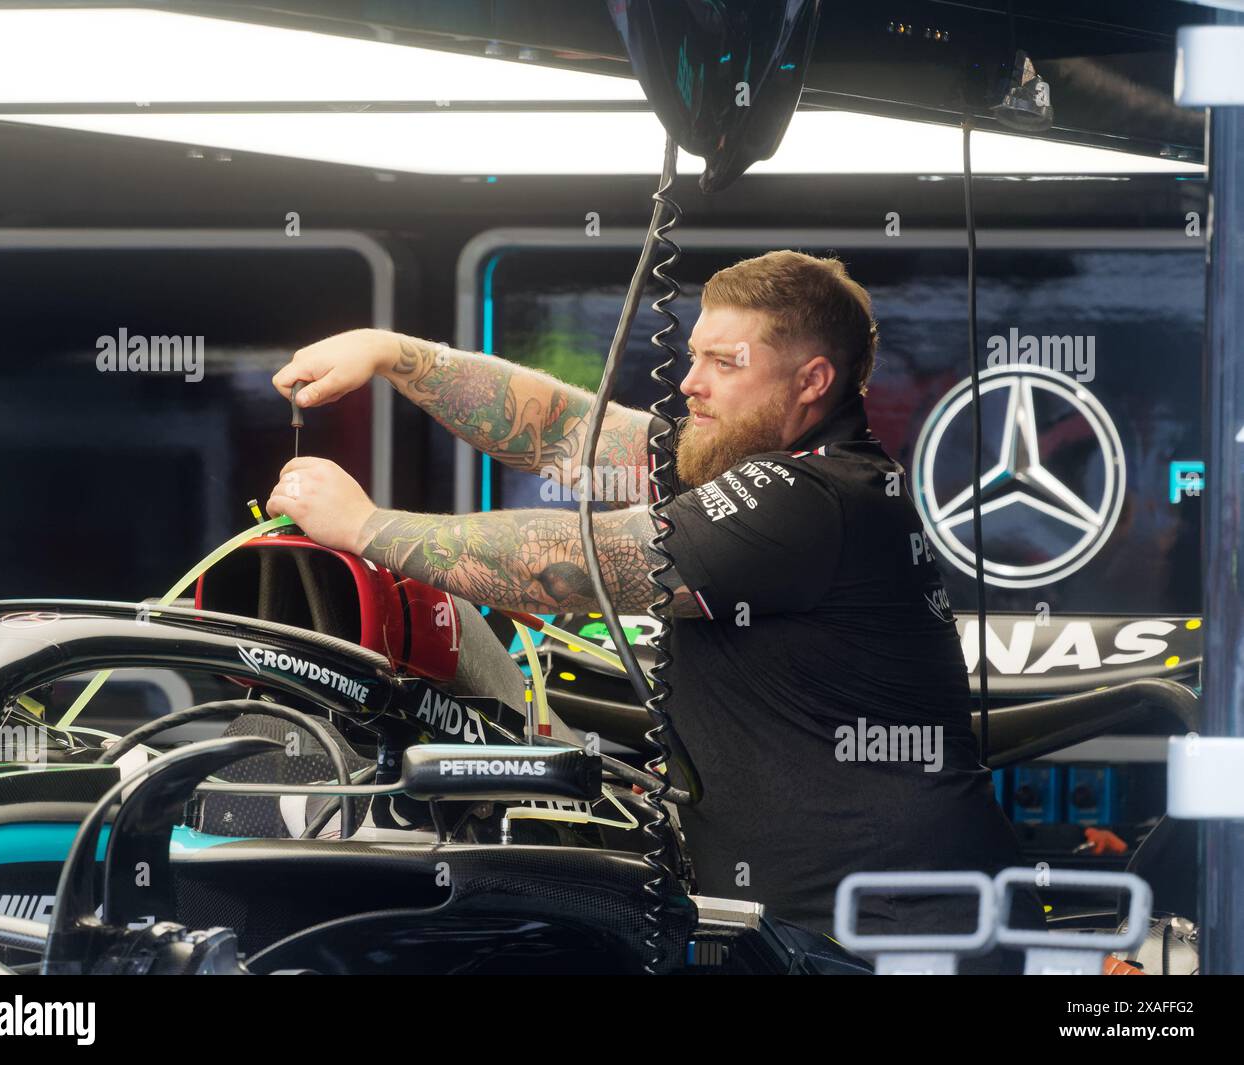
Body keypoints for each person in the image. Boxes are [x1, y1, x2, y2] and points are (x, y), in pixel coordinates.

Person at [267, 249, 1040, 972]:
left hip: (897, 944)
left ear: (811, 381)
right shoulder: (745, 459)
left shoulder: (813, 498)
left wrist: (367, 528)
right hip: (816, 932)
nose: (690, 382)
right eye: (695, 353)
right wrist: (394, 352)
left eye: (725, 363)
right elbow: (562, 432)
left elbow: (573, 566)